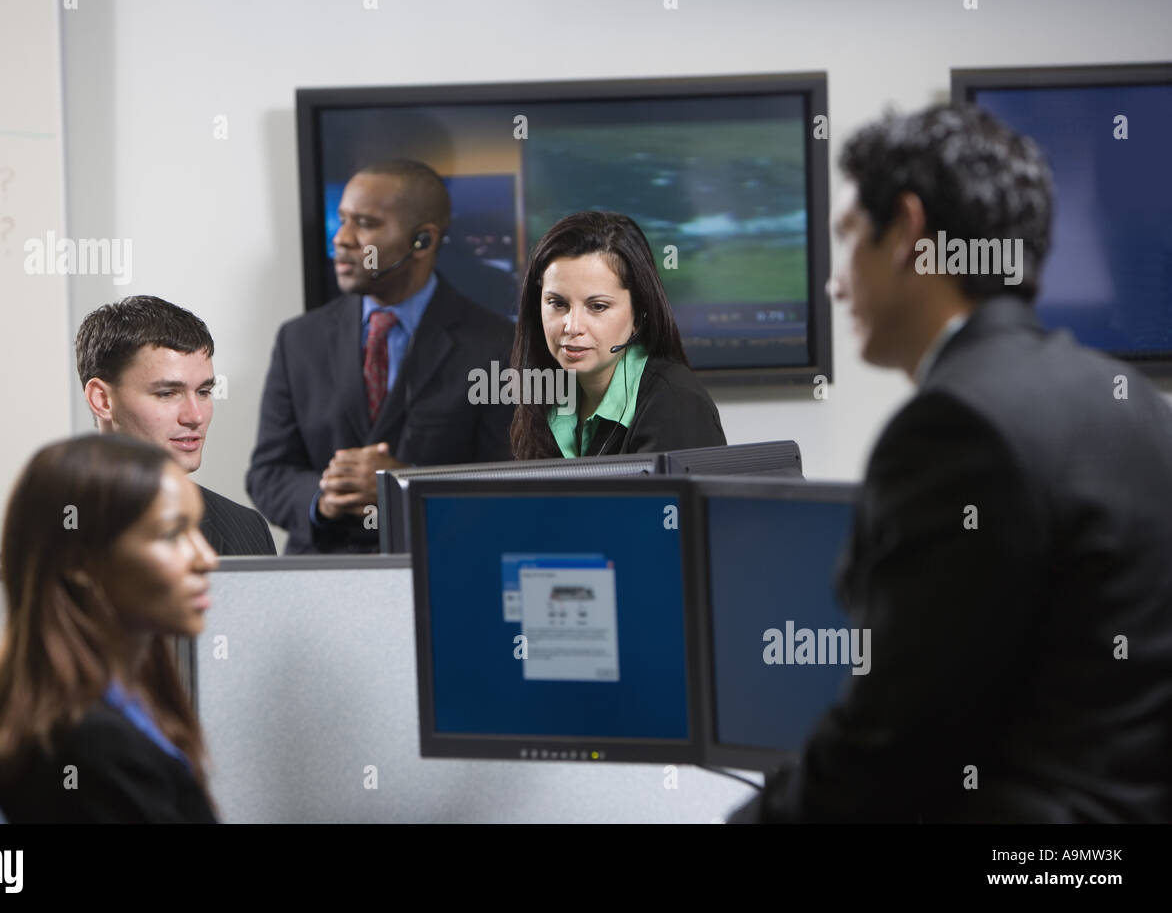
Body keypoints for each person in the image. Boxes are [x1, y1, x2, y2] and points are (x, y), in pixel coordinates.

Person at [736, 105, 1172, 822]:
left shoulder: (955, 429)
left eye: (847, 239)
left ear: (907, 231)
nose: (834, 285)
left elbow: (888, 748)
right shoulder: (1130, 402)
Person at [0, 434, 219, 822]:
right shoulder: (93, 750)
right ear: (79, 560)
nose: (206, 558)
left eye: (198, 530)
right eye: (173, 534)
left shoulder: (40, 708)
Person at [248, 159, 513, 554]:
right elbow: (267, 474)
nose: (342, 238)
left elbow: (509, 485)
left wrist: (406, 487)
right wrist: (324, 497)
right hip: (321, 583)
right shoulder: (298, 340)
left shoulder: (498, 344)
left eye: (366, 223)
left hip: (440, 572)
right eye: (342, 220)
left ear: (422, 240)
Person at [510, 210, 726, 459]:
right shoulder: (547, 393)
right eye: (557, 303)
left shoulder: (676, 403)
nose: (572, 326)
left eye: (597, 307)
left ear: (639, 313)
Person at [76, 295, 276, 556]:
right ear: (101, 399)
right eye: (167, 393)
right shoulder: (52, 524)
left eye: (203, 392)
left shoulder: (248, 530)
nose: (195, 416)